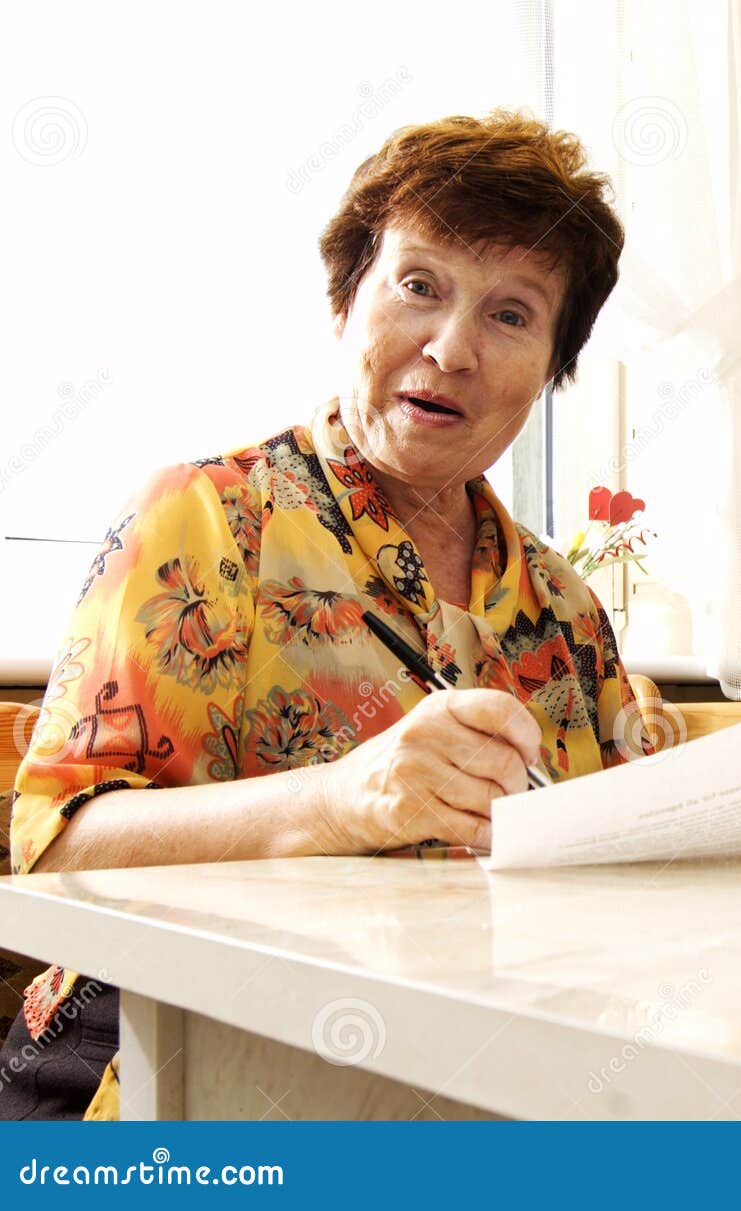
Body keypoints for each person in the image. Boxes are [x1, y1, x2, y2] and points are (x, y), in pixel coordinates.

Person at [4, 110, 640, 1118]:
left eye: (512, 315)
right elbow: (61, 845)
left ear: (551, 367)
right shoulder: (209, 516)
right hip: (174, 1071)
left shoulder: (563, 608)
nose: (450, 346)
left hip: (471, 1081)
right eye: (419, 286)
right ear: (347, 301)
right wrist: (338, 799)